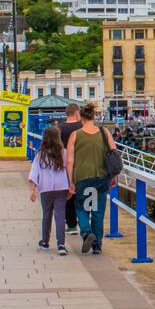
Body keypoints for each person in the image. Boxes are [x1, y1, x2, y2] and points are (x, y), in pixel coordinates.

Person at [65, 103, 118, 255]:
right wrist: (114, 176)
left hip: (82, 177)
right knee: (97, 210)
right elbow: (114, 153)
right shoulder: (104, 132)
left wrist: (70, 181)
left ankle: (87, 233)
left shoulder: (75, 135)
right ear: (94, 116)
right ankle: (97, 245)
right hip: (101, 177)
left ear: (81, 117)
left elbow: (70, 161)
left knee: (81, 208)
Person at [29, 125, 70, 255]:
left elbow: (34, 173)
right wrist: (71, 185)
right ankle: (61, 245)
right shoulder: (64, 152)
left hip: (45, 188)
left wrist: (33, 190)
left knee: (46, 215)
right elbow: (69, 171)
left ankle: (45, 242)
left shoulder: (40, 154)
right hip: (61, 187)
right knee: (60, 216)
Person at [57, 102, 82, 234]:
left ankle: (71, 225)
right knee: (82, 193)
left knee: (68, 195)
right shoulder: (82, 127)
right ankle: (84, 221)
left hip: (65, 166)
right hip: (82, 164)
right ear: (77, 113)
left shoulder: (59, 128)